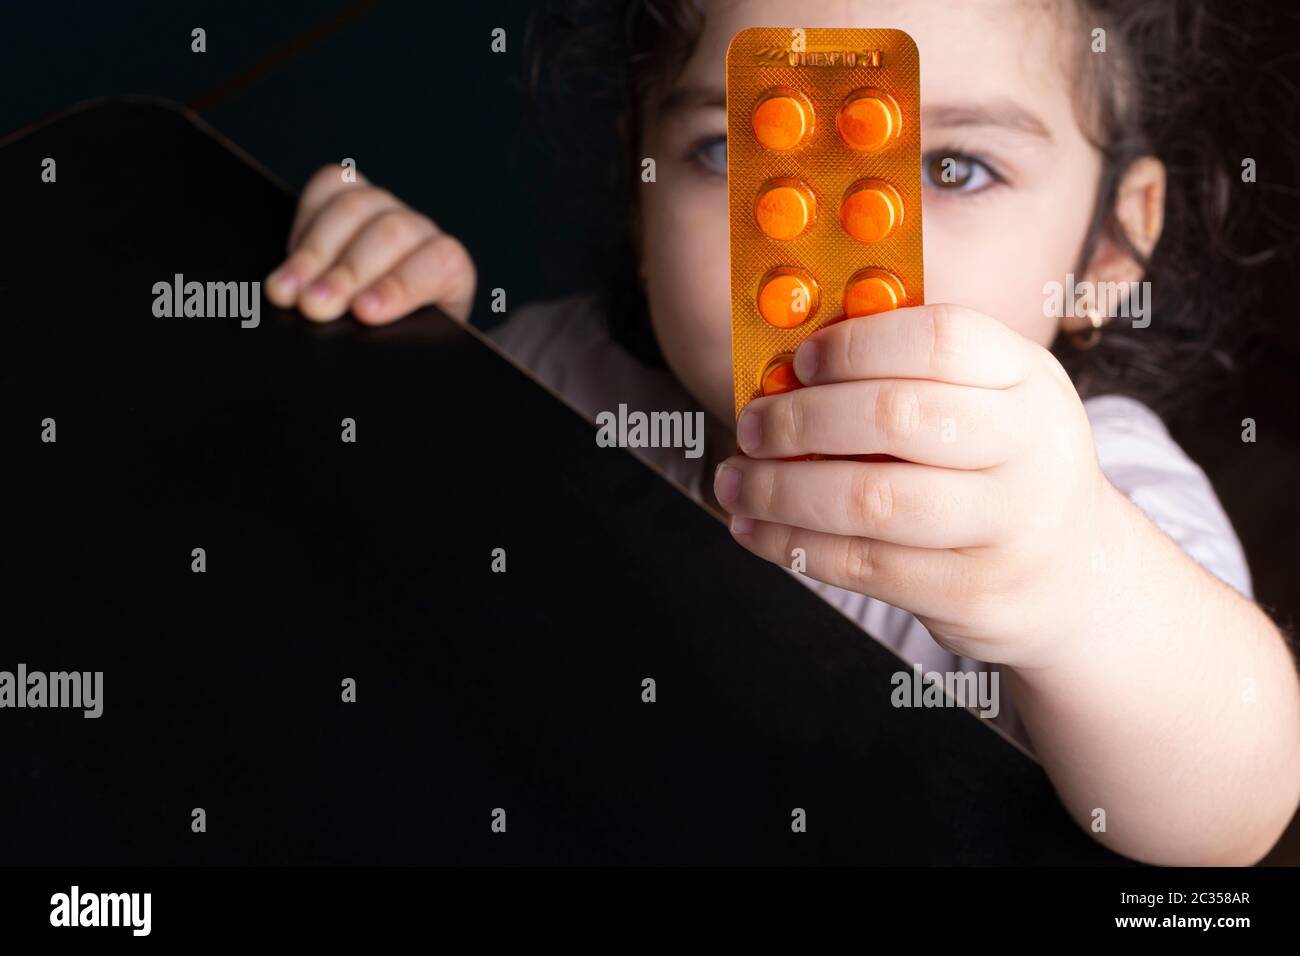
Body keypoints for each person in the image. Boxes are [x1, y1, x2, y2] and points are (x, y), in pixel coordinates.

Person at [263, 0, 1300, 865]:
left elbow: (1235, 804)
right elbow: (381, 584)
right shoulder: (560, 369)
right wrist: (400, 367)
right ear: (641, 182)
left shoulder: (1098, 494)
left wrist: (1073, 579)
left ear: (1110, 247)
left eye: (954, 168)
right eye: (732, 147)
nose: (825, 233)